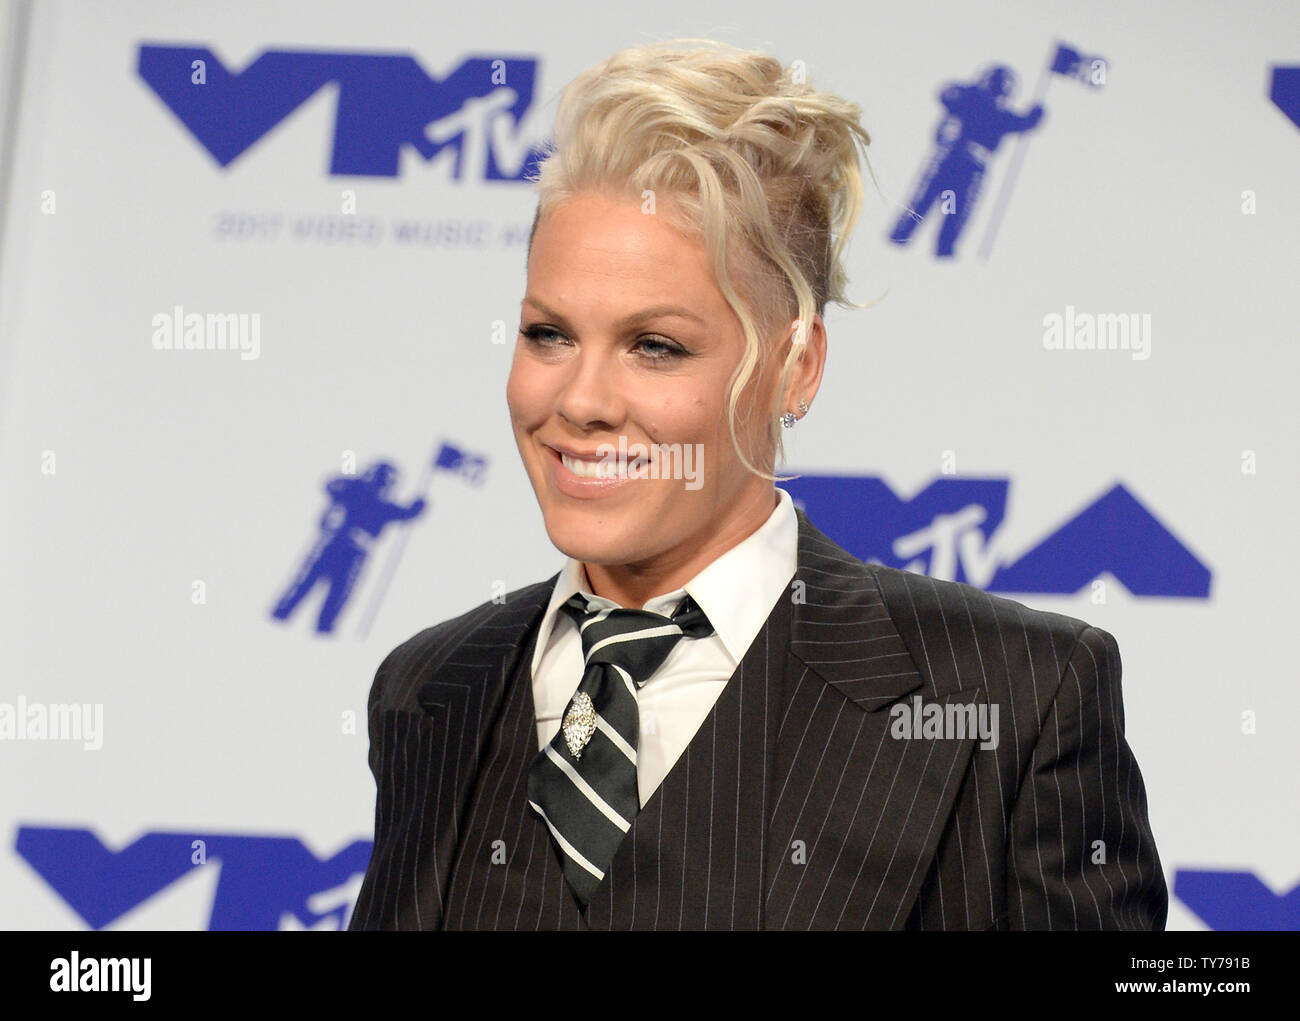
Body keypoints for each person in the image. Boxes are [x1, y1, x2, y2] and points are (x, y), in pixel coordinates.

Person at [348, 38, 1167, 930]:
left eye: (655, 345)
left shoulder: (1013, 699)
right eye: (549, 334)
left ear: (795, 368)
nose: (579, 400)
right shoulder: (431, 689)